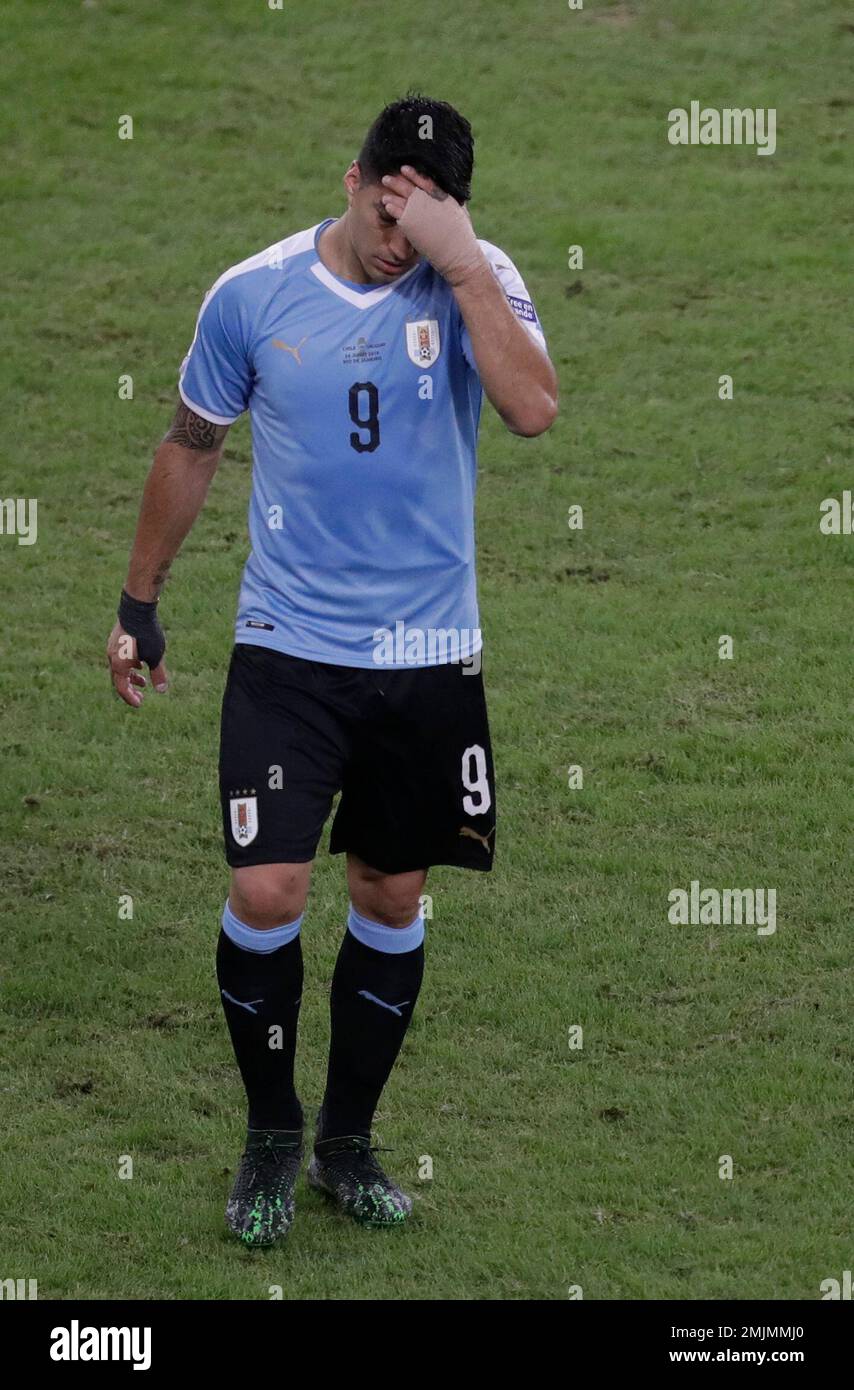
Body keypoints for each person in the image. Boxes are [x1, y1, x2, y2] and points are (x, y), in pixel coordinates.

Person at [106, 93, 558, 1246]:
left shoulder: (474, 278)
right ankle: (269, 1131)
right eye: (388, 203)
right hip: (289, 652)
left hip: (424, 658)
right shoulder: (250, 294)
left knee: (389, 893)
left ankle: (347, 1142)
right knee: (267, 889)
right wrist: (138, 603)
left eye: (428, 212)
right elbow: (191, 445)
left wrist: (459, 270)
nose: (397, 234)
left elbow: (531, 408)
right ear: (353, 176)